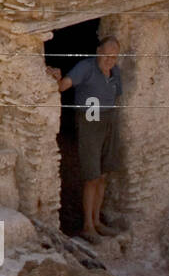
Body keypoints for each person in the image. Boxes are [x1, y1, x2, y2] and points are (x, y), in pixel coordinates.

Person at [47, 37, 124, 242]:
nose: (110, 59)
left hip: (108, 122)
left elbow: (115, 96)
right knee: (92, 176)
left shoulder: (115, 72)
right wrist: (55, 76)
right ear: (99, 51)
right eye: (107, 54)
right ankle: (87, 226)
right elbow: (63, 86)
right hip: (90, 122)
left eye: (114, 56)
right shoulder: (86, 67)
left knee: (102, 176)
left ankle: (97, 221)